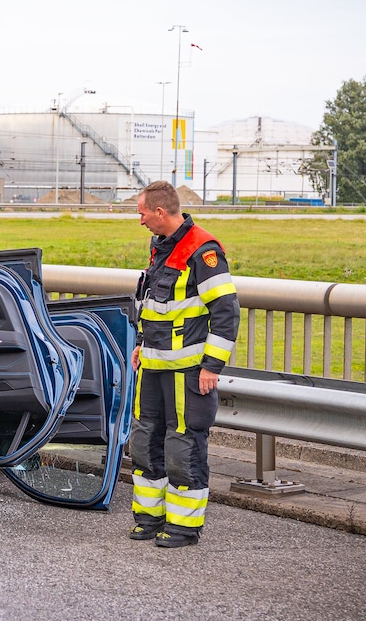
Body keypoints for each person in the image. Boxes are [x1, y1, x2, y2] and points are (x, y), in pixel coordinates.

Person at [128, 180, 239, 548]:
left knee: (183, 447)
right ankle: (149, 518)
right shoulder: (159, 247)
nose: (140, 219)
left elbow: (226, 312)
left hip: (189, 371)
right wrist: (141, 344)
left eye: (142, 212)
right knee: (144, 443)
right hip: (153, 366)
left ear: (160, 212)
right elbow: (154, 304)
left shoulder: (202, 250)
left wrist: (212, 366)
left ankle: (183, 527)